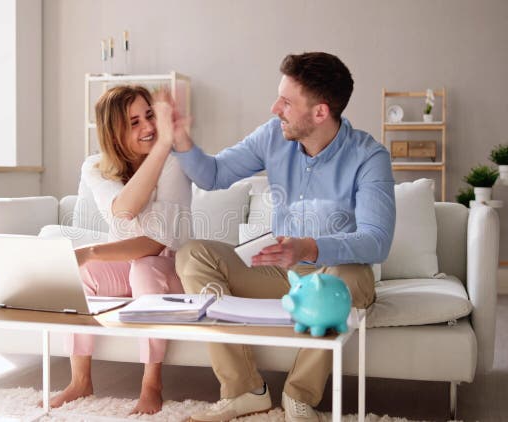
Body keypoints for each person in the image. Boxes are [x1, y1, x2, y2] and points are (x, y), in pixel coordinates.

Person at [167, 52, 396, 421]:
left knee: (348, 276)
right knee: (193, 255)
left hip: (334, 275)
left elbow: (377, 241)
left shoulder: (369, 157)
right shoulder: (274, 136)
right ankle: (245, 390)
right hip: (280, 273)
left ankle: (298, 396)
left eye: (287, 102)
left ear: (320, 112)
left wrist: (310, 247)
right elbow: (213, 175)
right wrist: (180, 138)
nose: (275, 108)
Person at [48, 85, 192, 414]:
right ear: (114, 132)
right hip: (128, 264)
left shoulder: (173, 164)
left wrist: (92, 251)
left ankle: (151, 384)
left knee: (142, 268)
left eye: (150, 116)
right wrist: (88, 258)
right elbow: (122, 209)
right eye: (135, 122)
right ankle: (80, 381)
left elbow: (156, 242)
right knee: (81, 272)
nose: (149, 128)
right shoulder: (95, 167)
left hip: (171, 268)